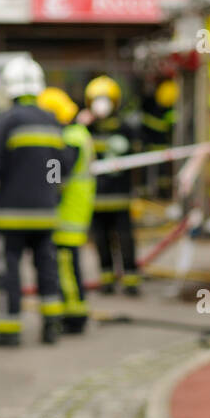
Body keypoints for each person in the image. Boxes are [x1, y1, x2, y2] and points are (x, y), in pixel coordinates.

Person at [0, 56, 68, 347]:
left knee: (9, 273)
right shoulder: (52, 120)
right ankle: (52, 324)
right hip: (45, 215)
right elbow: (59, 167)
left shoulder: (7, 121)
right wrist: (49, 195)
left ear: (10, 89)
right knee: (48, 270)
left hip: (9, 218)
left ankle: (9, 331)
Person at [38, 87, 95, 335]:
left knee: (65, 267)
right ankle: (75, 312)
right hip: (75, 210)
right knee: (68, 265)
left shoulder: (71, 138)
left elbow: (58, 176)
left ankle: (74, 317)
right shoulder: (78, 133)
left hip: (67, 214)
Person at [83, 75, 142, 296]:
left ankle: (131, 280)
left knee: (125, 239)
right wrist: (79, 124)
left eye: (105, 99)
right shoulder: (86, 129)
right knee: (101, 240)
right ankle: (106, 279)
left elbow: (137, 155)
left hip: (119, 196)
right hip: (96, 197)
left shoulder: (124, 127)